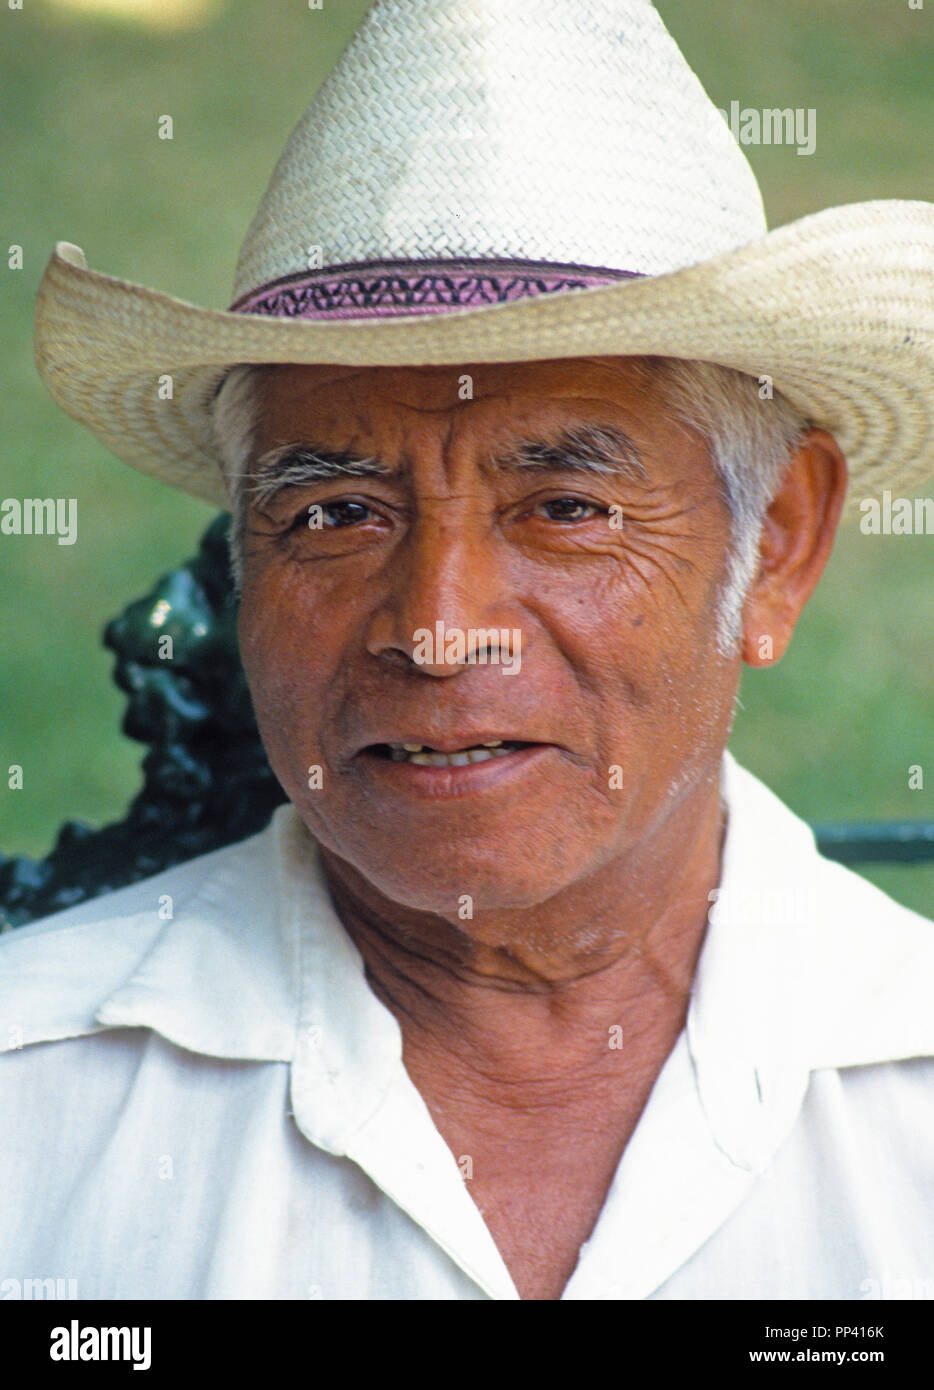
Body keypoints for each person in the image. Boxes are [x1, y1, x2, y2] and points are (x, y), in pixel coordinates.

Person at [3, 0, 933, 1301]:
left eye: (563, 508)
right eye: (334, 513)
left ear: (772, 545)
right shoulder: (28, 1105)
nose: (437, 630)